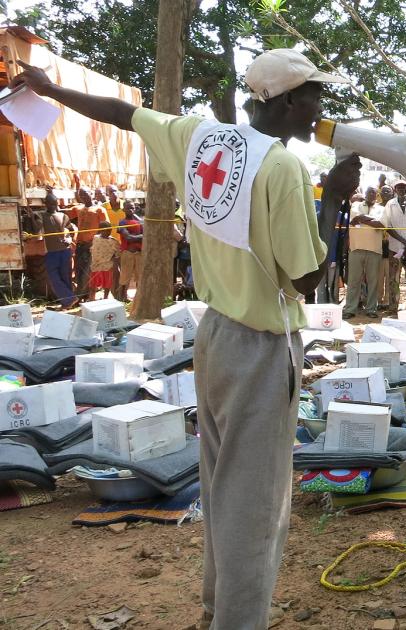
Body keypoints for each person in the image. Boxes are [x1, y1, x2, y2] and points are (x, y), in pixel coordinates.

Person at [14, 49, 359, 628]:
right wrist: (334, 204)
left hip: (216, 335)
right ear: (285, 100)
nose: (319, 109)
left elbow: (123, 114)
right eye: (312, 97)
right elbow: (306, 278)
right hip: (262, 347)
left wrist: (51, 91)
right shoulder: (284, 169)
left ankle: (214, 610)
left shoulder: (201, 138)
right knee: (255, 502)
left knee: (224, 482)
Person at [344, 187, 386, 318]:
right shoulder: (356, 204)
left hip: (374, 249)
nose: (372, 194)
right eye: (369, 192)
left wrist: (361, 219)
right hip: (356, 248)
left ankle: (371, 309)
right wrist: (369, 220)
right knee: (353, 281)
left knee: (373, 282)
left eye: (374, 192)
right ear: (366, 194)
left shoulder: (382, 209)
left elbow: (381, 225)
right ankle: (350, 309)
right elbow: (354, 218)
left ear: (377, 195)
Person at [382, 179, 406, 309]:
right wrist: (404, 243)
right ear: (395, 190)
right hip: (394, 249)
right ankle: (393, 307)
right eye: (399, 188)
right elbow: (387, 226)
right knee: (394, 279)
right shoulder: (390, 204)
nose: (401, 190)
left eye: (404, 188)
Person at [71, 188, 105, 294]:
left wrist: (97, 241)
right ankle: (83, 293)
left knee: (88, 270)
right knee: (78, 269)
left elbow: (105, 227)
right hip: (80, 244)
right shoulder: (78, 209)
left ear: (91, 194)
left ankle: (81, 294)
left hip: (92, 245)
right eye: (81, 195)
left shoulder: (99, 210)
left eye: (86, 194)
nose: (84, 197)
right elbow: (62, 214)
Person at [116, 204, 143, 301]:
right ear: (123, 209)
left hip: (139, 253)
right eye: (128, 208)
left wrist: (138, 237)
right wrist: (141, 236)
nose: (130, 210)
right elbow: (128, 238)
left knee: (140, 276)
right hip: (127, 252)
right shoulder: (122, 222)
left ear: (135, 209)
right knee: (124, 277)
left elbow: (145, 235)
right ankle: (122, 298)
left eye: (132, 207)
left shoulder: (140, 221)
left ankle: (138, 298)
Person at [88, 222, 120, 299]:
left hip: (107, 266)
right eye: (106, 230)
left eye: (110, 230)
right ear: (101, 230)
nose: (108, 232)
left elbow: (117, 255)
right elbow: (91, 250)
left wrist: (115, 266)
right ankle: (91, 299)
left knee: (107, 285)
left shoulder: (114, 241)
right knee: (93, 284)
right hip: (95, 265)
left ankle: (105, 298)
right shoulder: (95, 238)